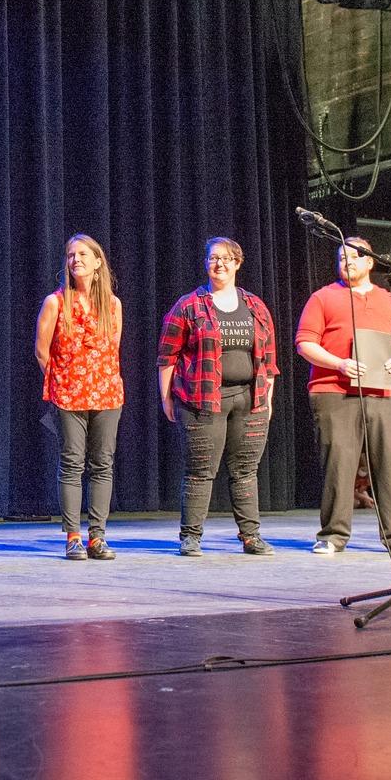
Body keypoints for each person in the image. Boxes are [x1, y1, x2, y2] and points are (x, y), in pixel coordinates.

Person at [157, 238, 281, 558]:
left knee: (245, 471)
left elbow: (268, 360)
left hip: (249, 399)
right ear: (206, 263)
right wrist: (166, 398)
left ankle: (251, 536)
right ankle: (190, 537)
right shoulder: (189, 305)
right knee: (200, 471)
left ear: (238, 263)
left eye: (226, 259)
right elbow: (167, 357)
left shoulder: (255, 306)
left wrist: (266, 399)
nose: (220, 264)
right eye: (214, 258)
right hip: (201, 399)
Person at [295, 237, 391, 555]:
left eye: (354, 256)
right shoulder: (323, 298)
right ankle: (333, 535)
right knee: (339, 464)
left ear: (370, 262)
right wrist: (340, 363)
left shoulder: (389, 298)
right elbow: (305, 344)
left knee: (389, 464)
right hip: (335, 392)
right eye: (341, 257)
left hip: (385, 391)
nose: (347, 261)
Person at [35, 235, 125, 560]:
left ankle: (97, 537)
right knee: (72, 463)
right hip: (68, 394)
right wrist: (61, 381)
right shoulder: (56, 302)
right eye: (71, 255)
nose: (76, 260)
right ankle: (73, 536)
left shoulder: (112, 304)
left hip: (106, 393)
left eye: (83, 254)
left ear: (98, 262)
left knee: (103, 464)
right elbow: (42, 351)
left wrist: (100, 379)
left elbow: (112, 349)